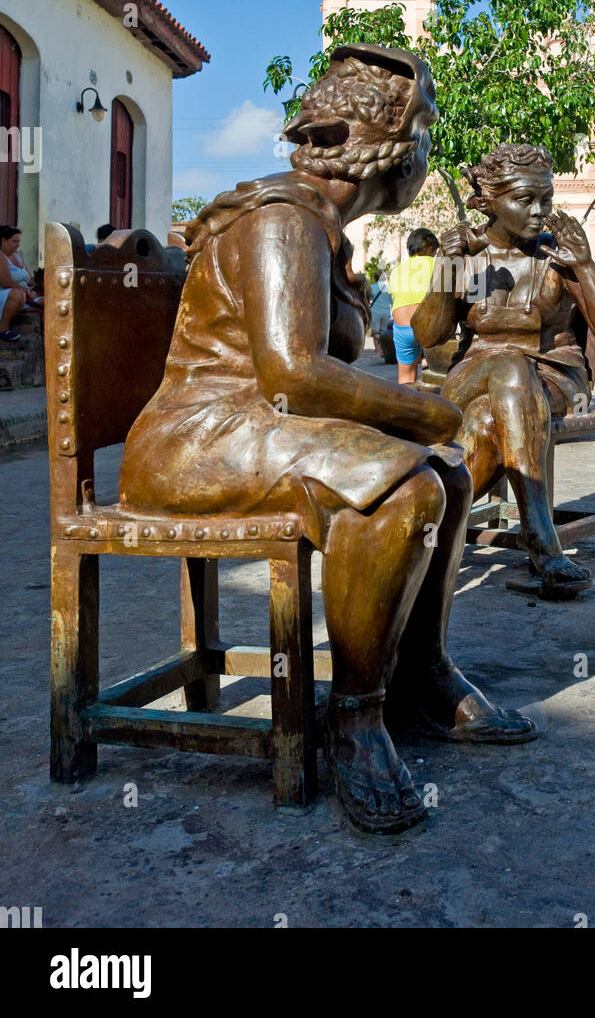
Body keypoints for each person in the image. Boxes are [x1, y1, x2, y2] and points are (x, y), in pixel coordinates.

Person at [119, 45, 535, 835]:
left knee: (441, 474)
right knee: (403, 485)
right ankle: (355, 718)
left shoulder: (320, 229)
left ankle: (420, 673)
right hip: (200, 438)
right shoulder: (281, 220)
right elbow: (295, 374)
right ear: (390, 147)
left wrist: (425, 428)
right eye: (423, 139)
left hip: (252, 427)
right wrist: (428, 412)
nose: (424, 159)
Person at [413, 142, 595, 601]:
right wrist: (444, 271)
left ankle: (420, 532)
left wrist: (586, 266)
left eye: (546, 200)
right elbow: (429, 334)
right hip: (471, 377)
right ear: (490, 201)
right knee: (507, 370)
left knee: (489, 420)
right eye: (525, 200)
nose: (539, 212)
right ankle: (541, 539)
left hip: (552, 376)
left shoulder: (560, 256)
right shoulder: (467, 257)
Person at [387, 228, 439, 384]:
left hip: (402, 327)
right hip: (429, 326)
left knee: (405, 378)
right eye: (435, 251)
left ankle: (404, 406)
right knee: (440, 372)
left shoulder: (396, 270)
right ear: (430, 248)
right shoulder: (438, 264)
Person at [0, 225, 36, 340]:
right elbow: (5, 282)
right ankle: (3, 330)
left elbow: (29, 279)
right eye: (14, 241)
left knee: (48, 301)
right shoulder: (1, 257)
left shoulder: (18, 256)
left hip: (24, 295)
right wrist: (25, 291)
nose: (18, 244)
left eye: (19, 241)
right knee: (18, 295)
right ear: (4, 241)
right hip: (6, 295)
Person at [368, 269, 392, 360]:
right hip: (386, 312)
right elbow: (392, 301)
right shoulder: (389, 288)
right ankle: (383, 351)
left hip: (375, 312)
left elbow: (368, 299)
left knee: (375, 332)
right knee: (383, 332)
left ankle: (378, 351)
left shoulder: (372, 287)